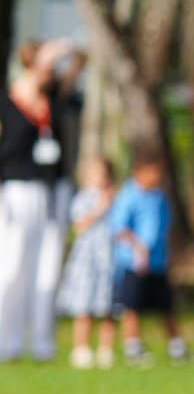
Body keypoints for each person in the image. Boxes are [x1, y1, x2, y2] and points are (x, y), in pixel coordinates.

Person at [0, 39, 80, 363]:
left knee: (46, 269)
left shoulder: (51, 101)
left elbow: (80, 63)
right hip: (16, 191)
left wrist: (65, 50)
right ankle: (7, 340)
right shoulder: (10, 101)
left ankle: (42, 341)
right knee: (13, 266)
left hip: (47, 191)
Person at [108, 149, 185, 366]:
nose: (156, 178)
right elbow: (119, 228)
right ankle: (133, 347)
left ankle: (176, 347)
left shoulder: (159, 197)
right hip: (134, 263)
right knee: (132, 306)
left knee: (166, 306)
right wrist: (137, 247)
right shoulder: (128, 195)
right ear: (139, 172)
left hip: (158, 262)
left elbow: (165, 228)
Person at [56, 155, 119, 369]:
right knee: (84, 308)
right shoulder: (83, 198)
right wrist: (100, 208)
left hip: (108, 260)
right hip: (87, 262)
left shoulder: (116, 199)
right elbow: (79, 226)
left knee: (108, 307)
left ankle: (106, 351)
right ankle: (81, 349)